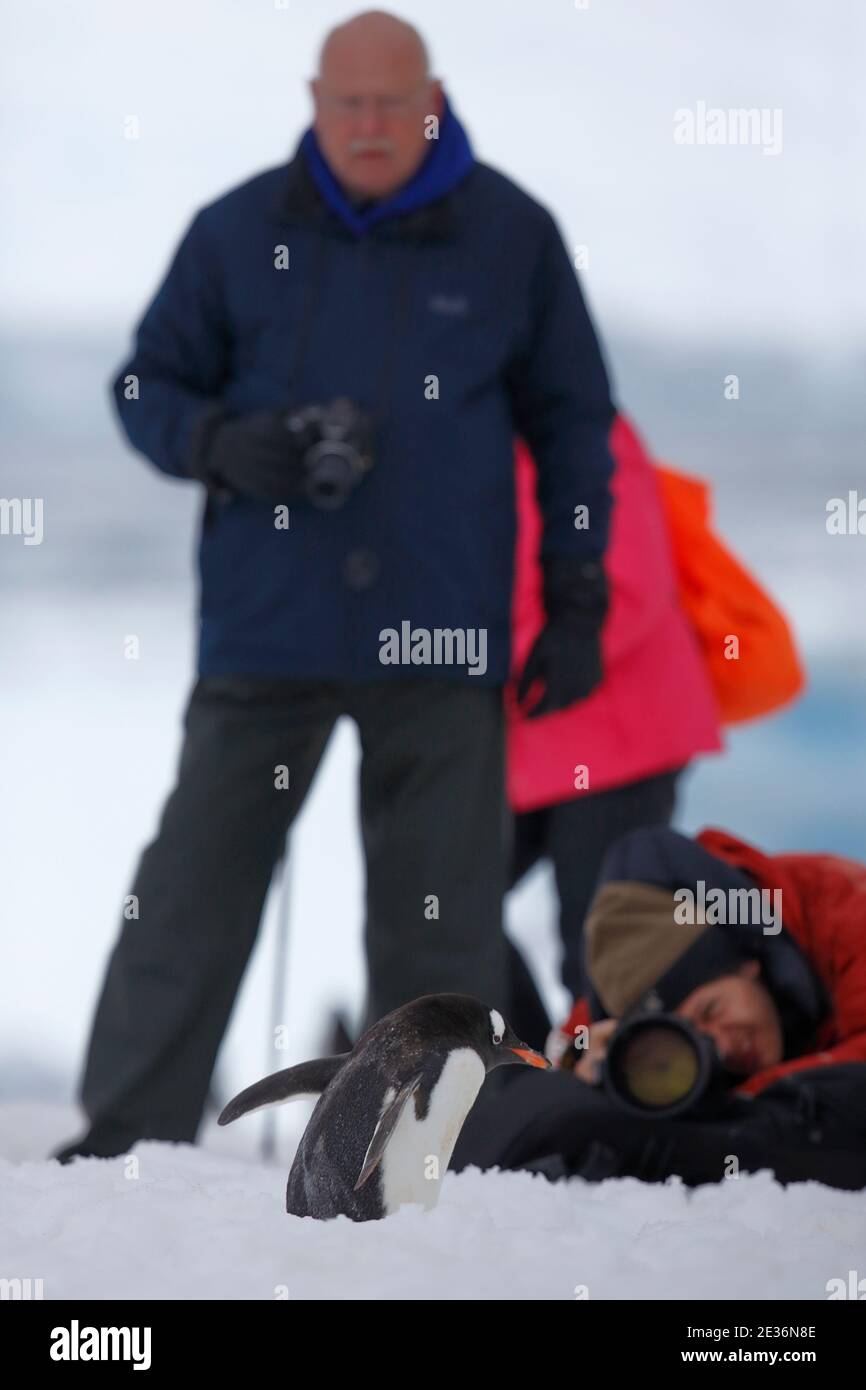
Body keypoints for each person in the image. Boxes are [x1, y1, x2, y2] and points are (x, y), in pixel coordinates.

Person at [54, 11, 616, 1162]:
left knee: (435, 916)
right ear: (314, 99)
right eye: (346, 102)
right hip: (269, 626)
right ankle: (125, 1138)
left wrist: (575, 590)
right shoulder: (237, 228)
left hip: (438, 626)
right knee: (192, 885)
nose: (368, 126)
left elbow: (573, 427)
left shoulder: (512, 235)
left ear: (433, 96)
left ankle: (430, 1148)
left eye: (389, 102)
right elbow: (141, 385)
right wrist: (218, 439)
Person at [452, 825, 866, 1190]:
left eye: (712, 1009)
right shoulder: (628, 984)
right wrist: (584, 1063)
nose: (720, 1046)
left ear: (749, 963)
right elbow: (577, 1041)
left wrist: (735, 1110)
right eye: (686, 1036)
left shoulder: (843, 909)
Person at [504, 413, 723, 1040]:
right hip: (520, 741)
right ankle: (525, 1078)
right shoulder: (451, 436)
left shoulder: (582, 427)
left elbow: (628, 588)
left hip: (623, 734)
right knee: (436, 909)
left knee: (604, 954)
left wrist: (480, 663)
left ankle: (607, 1102)